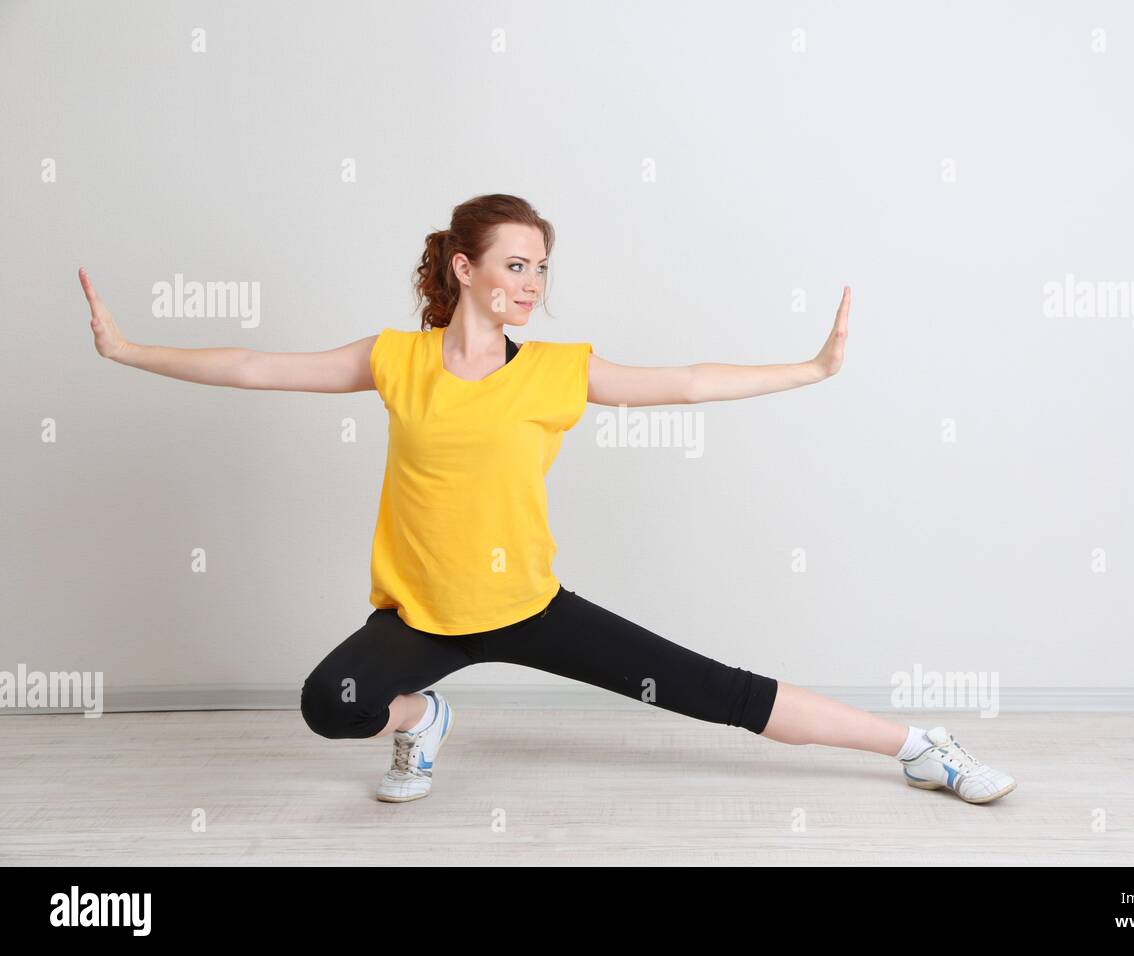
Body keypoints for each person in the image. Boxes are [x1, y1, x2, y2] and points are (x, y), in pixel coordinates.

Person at [79, 193, 1016, 806]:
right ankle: (425, 718)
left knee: (716, 691)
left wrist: (809, 370)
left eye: (540, 268)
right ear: (464, 268)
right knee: (332, 702)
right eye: (516, 265)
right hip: (422, 619)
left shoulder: (560, 373)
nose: (532, 283)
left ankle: (917, 745)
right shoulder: (395, 358)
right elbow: (252, 365)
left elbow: (684, 383)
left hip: (529, 606)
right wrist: (128, 350)